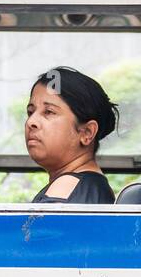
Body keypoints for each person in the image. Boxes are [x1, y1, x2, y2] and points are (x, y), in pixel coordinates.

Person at [26, 67, 117, 205]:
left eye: (49, 112)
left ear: (87, 132)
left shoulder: (65, 188)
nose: (31, 122)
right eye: (30, 112)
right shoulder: (94, 186)